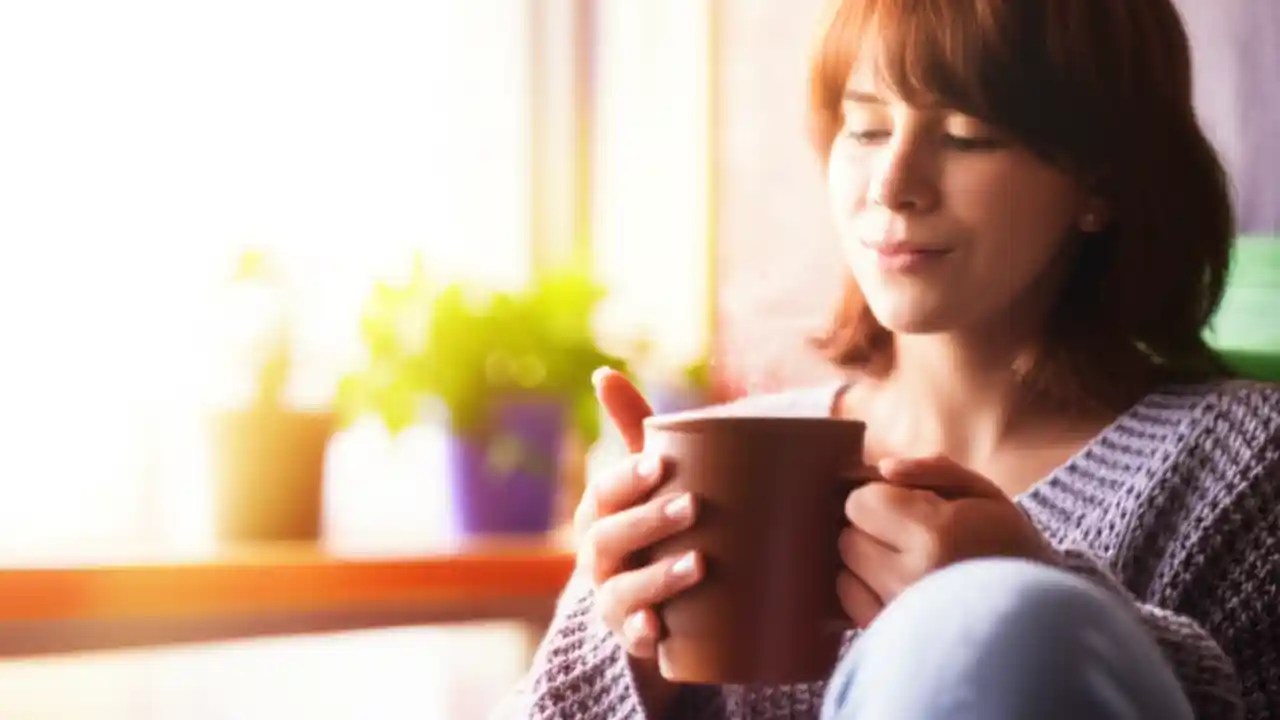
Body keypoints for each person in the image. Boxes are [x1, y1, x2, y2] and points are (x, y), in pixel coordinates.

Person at [506, 0, 1280, 718]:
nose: (894, 184)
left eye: (965, 136)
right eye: (867, 129)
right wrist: (628, 646)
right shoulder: (708, 472)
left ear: (1099, 183)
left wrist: (1028, 601)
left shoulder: (1241, 464)